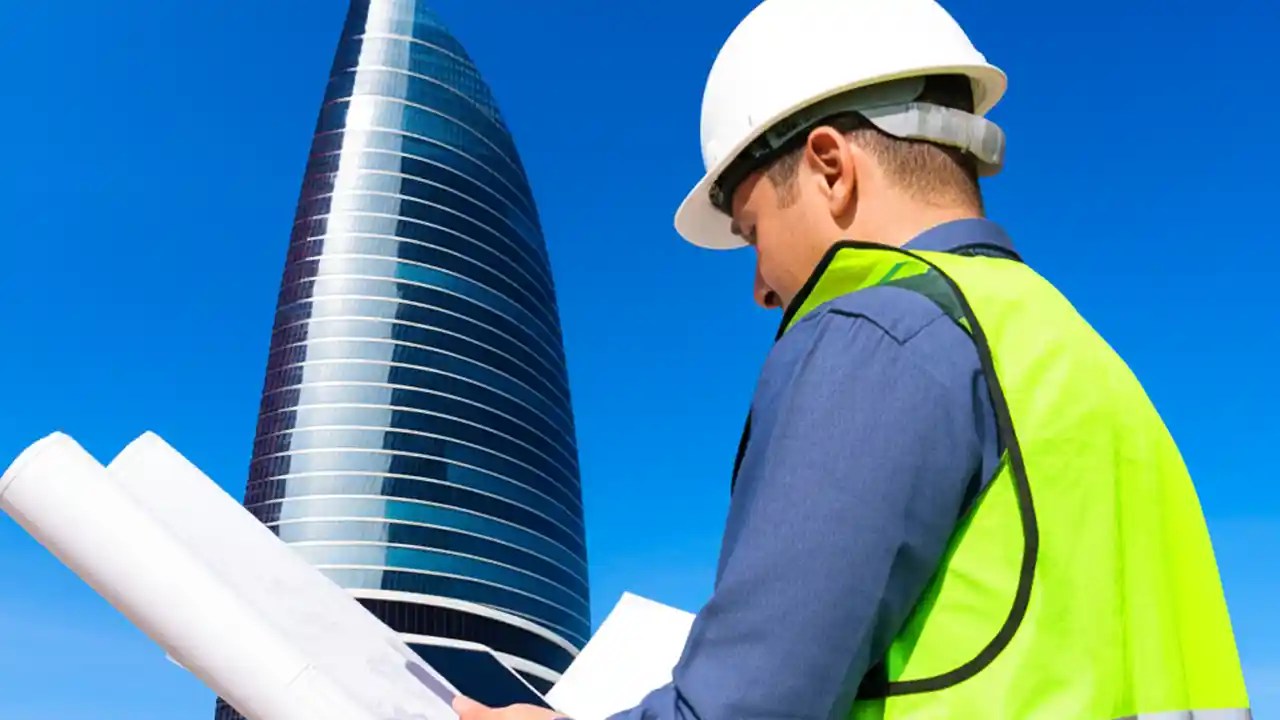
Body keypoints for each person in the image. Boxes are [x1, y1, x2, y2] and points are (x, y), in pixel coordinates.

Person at [454, 0, 1253, 718]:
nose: (761, 288)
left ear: (830, 169)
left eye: (753, 232)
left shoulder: (878, 330)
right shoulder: (1084, 362)